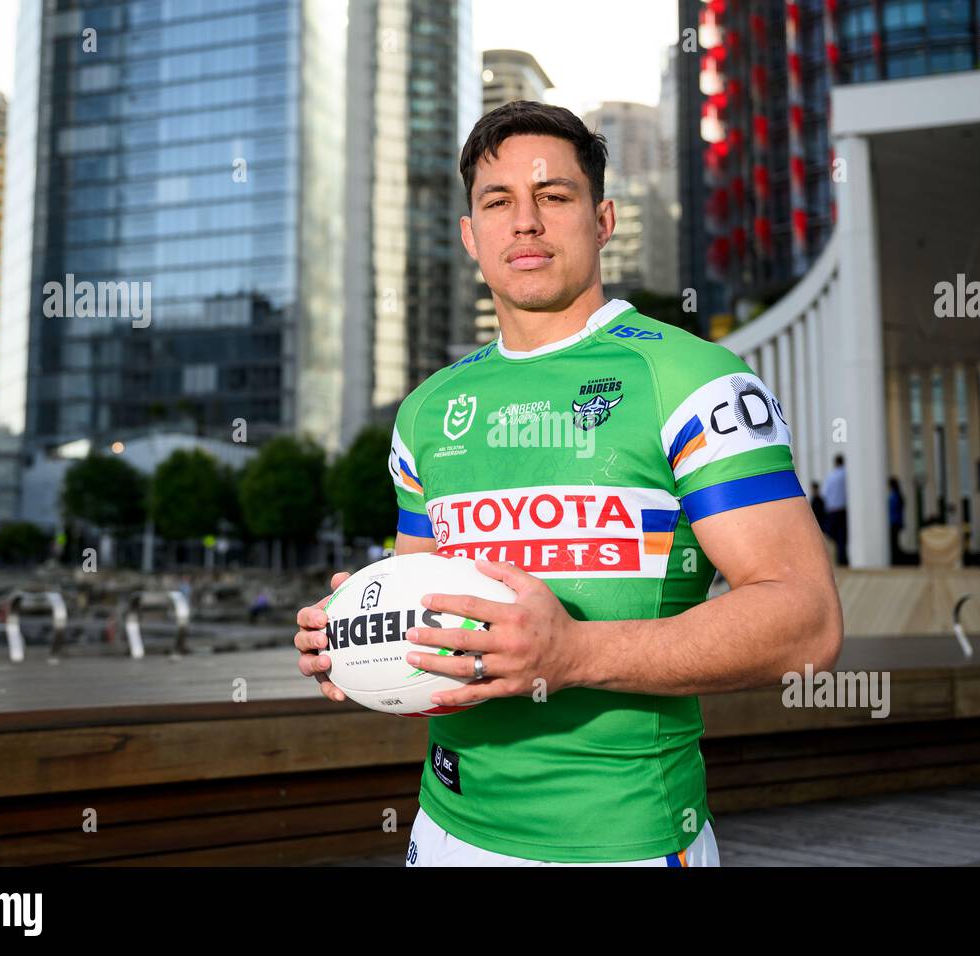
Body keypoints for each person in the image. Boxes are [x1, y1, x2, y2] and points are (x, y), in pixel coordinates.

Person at [294, 101, 842, 867]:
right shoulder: (425, 412)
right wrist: (356, 638)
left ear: (603, 219)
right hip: (443, 827)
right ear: (470, 236)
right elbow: (424, 608)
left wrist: (575, 652)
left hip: (622, 839)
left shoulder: (690, 378)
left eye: (553, 197)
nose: (525, 222)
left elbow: (806, 622)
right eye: (498, 202)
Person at [822, 454, 848, 566]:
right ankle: (843, 558)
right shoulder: (846, 474)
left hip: (832, 510)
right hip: (843, 509)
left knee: (835, 536)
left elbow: (825, 494)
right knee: (843, 536)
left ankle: (839, 558)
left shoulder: (831, 476)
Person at [887, 477, 905, 565]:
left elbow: (891, 509)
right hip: (897, 521)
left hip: (893, 522)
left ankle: (896, 560)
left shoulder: (893, 496)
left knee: (893, 542)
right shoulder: (898, 495)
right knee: (895, 541)